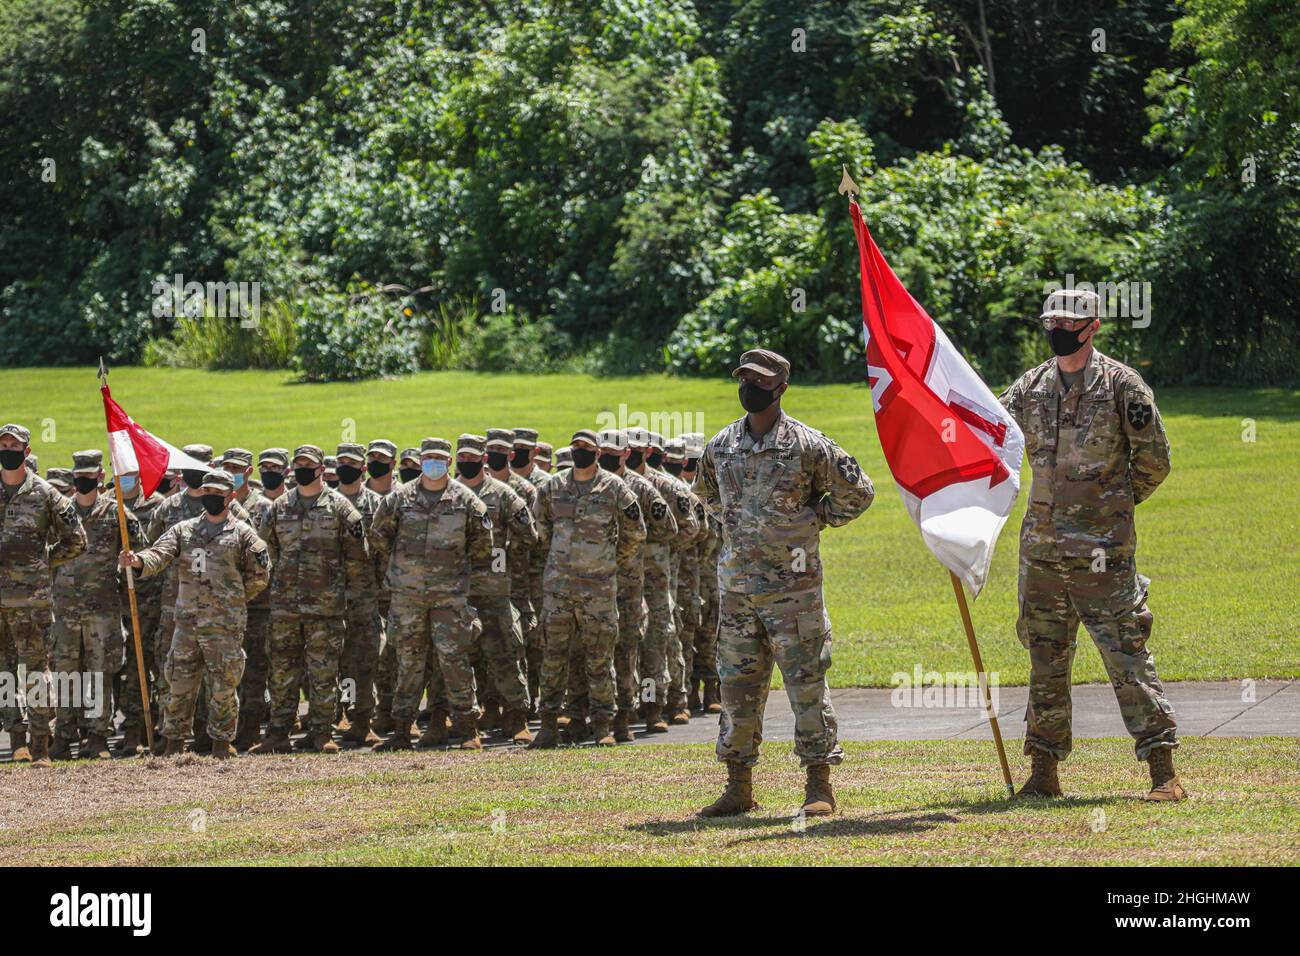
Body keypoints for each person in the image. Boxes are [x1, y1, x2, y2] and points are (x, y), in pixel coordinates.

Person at [999, 288, 1182, 801]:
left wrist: (1111, 509)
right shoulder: (1030, 386)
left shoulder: (1124, 386)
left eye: (1065, 322)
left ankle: (1162, 770)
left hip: (1104, 554)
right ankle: (1043, 772)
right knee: (1045, 659)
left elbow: (1155, 462)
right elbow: (990, 437)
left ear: (1091, 326)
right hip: (1042, 552)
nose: (1056, 330)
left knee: (1126, 655)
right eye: (1049, 321)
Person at [694, 349, 875, 817]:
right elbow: (706, 494)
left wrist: (815, 518)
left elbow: (860, 491)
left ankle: (819, 784)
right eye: (743, 379)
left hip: (793, 594)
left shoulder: (807, 445)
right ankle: (738, 787)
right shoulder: (721, 445)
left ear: (781, 389)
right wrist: (734, 524)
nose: (748, 388)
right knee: (736, 689)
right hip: (737, 592)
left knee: (806, 685)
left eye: (758, 381)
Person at [120, 470, 270, 759]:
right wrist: (137, 561)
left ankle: (221, 746)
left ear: (230, 497)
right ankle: (174, 744)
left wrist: (234, 599)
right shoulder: (184, 530)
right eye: (207, 492)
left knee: (223, 688)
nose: (211, 497)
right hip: (186, 624)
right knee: (178, 684)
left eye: (218, 493)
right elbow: (158, 555)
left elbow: (259, 575)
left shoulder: (243, 534)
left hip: (224, 627)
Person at [368, 438, 493, 750]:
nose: (433, 462)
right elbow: (379, 538)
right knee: (408, 663)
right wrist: (404, 573)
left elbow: (482, 546)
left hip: (449, 599)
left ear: (448, 462)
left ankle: (467, 729)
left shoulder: (466, 501)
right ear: (421, 461)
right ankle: (400, 731)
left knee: (455, 663)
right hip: (408, 598)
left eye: (439, 457)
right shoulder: (399, 499)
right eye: (428, 457)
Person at [529, 429, 645, 748]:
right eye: (576, 447)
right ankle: (549, 725)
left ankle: (603, 725)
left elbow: (636, 532)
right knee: (553, 657)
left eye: (587, 447)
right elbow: (540, 527)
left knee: (599, 659)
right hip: (559, 590)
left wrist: (608, 558)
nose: (581, 451)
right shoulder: (553, 487)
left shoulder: (614, 488)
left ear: (597, 453)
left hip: (599, 589)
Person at [251, 445, 369, 755]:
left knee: (323, 673)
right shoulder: (278, 508)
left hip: (325, 606)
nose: (303, 468)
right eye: (299, 464)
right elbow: (266, 553)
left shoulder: (340, 508)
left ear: (320, 469)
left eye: (309, 464)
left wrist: (344, 593)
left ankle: (321, 732)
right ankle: (278, 732)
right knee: (281, 671)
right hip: (285, 606)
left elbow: (357, 556)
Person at [442, 433, 538, 745]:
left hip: (494, 589)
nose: (467, 462)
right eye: (463, 457)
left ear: (484, 459)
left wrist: (506, 558)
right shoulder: (447, 493)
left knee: (505, 653)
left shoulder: (502, 493)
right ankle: (463, 719)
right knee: (457, 657)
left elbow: (529, 533)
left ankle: (517, 716)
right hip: (457, 590)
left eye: (473, 457)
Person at [0, 423, 86, 767]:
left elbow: (76, 539)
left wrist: (46, 559)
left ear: (27, 452)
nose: (7, 449)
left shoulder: (45, 494)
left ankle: (40, 747)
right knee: (3, 673)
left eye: (14, 444)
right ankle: (16, 739)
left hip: (31, 601)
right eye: (3, 443)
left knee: (36, 671)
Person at [49, 450, 141, 760]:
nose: (84, 481)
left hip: (103, 611)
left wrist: (132, 564)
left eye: (90, 476)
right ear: (73, 477)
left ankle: (98, 736)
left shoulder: (118, 516)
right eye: (79, 476)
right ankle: (63, 735)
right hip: (64, 611)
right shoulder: (60, 513)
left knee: (100, 674)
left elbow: (141, 555)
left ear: (101, 477)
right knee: (65, 672)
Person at [598, 429, 676, 741]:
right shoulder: (593, 485)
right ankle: (603, 711)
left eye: (612, 454)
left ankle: (650, 708)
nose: (605, 459)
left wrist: (640, 551)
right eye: (602, 452)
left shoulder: (641, 488)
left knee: (643, 644)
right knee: (603, 648)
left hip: (636, 580)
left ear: (627, 454)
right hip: (597, 582)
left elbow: (671, 527)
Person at [222, 449, 275, 751]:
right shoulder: (214, 506)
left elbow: (269, 556)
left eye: (237, 468)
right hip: (223, 607)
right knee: (226, 672)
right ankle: (223, 731)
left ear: (249, 471)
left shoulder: (265, 508)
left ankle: (251, 730)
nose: (231, 472)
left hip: (257, 605)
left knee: (255, 670)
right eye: (226, 467)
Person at [335, 442, 386, 745]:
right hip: (331, 597)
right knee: (335, 662)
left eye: (352, 463)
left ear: (362, 468)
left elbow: (386, 547)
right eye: (341, 461)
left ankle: (363, 720)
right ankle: (337, 715)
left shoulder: (376, 504)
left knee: (365, 660)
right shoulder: (325, 501)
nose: (346, 467)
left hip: (366, 595)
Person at [117, 469, 169, 754]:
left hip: (157, 601)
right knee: (133, 670)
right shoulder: (110, 506)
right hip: (124, 602)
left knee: (162, 666)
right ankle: (133, 729)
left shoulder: (159, 506)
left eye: (130, 474)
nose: (125, 479)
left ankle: (161, 727)